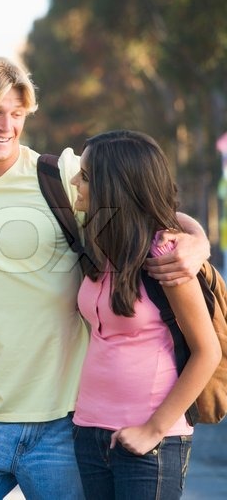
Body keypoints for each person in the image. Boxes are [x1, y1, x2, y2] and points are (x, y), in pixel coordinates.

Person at [0, 55, 211, 499]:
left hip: (67, 419)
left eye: (17, 113)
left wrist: (196, 239)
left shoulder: (57, 175)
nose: (7, 125)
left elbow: (138, 199)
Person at [69, 130, 220, 500]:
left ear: (113, 187)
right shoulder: (99, 243)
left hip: (152, 439)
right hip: (89, 431)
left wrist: (153, 429)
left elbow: (207, 351)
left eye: (85, 176)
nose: (75, 181)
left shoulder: (164, 255)